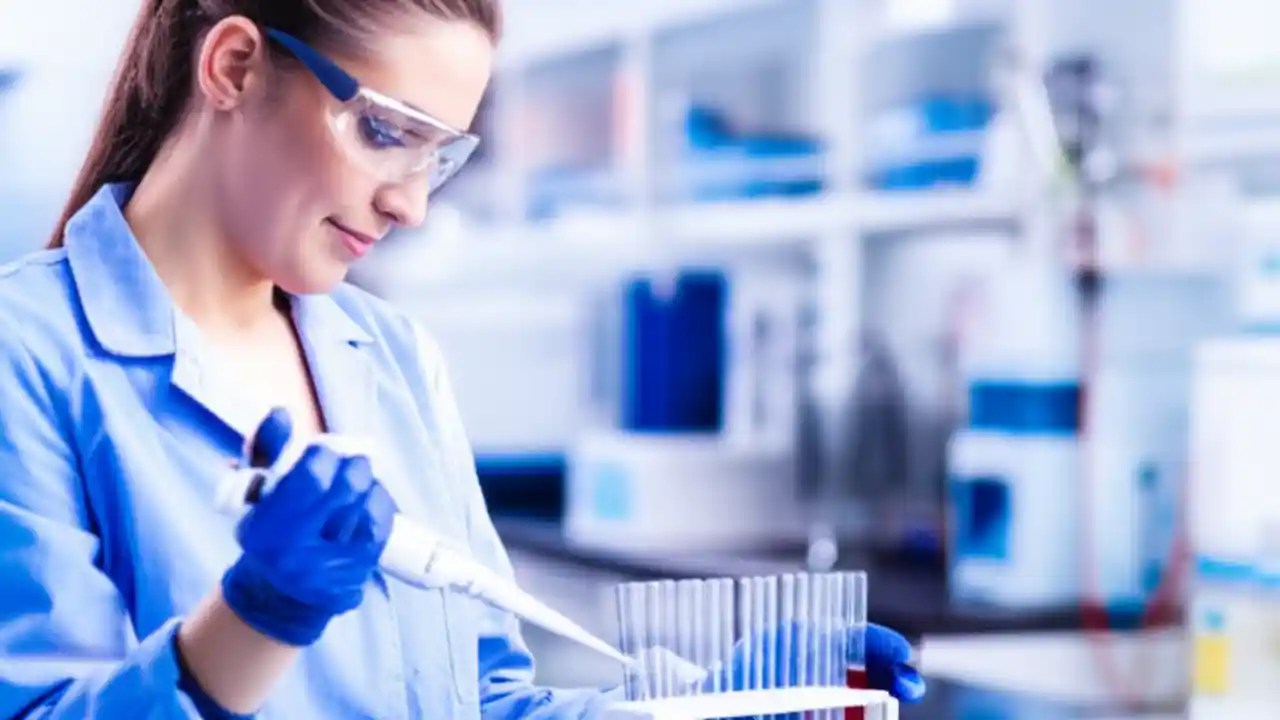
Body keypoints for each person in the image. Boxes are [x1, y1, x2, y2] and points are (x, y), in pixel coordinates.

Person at [0, 1, 926, 718]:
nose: (412, 207)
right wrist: (254, 620)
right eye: (387, 133)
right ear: (235, 65)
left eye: (437, 158)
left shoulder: (392, 358)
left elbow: (480, 700)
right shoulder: (26, 353)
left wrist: (710, 706)